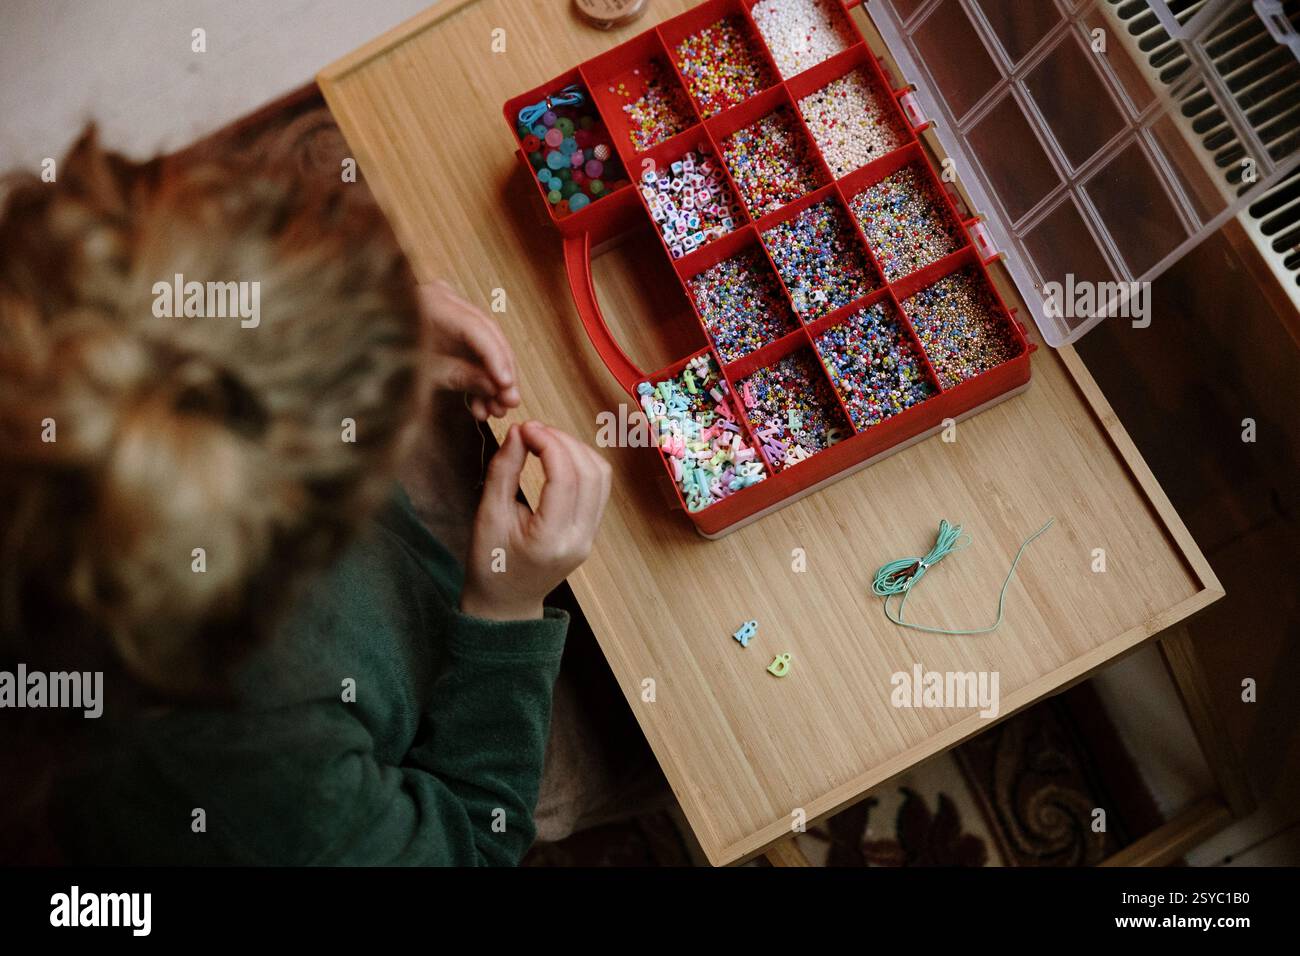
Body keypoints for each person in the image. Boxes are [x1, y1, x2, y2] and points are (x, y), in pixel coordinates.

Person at [0, 117, 611, 865]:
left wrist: (361, 329)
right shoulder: (253, 781)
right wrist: (508, 615)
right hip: (446, 737)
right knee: (637, 752)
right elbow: (469, 847)